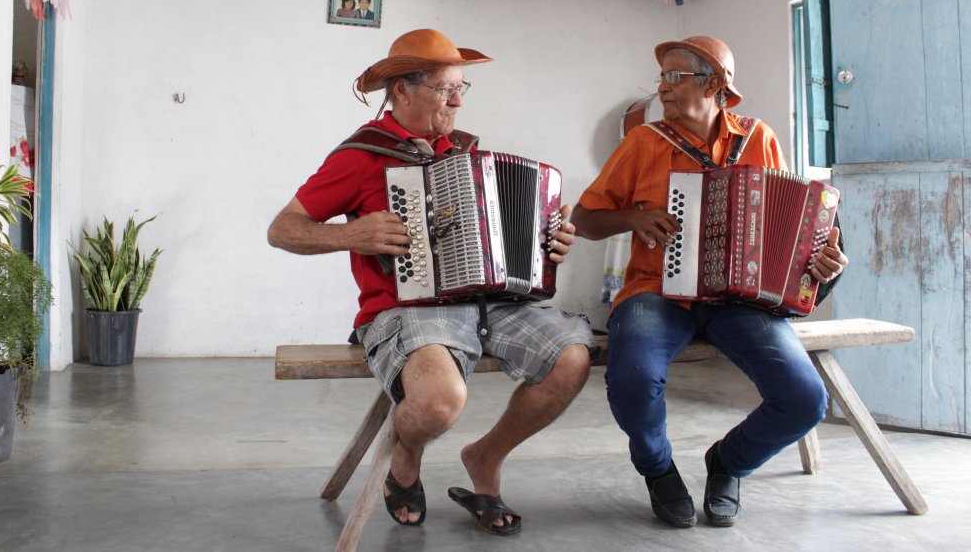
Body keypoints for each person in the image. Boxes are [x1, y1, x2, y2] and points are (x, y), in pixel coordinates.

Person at [268, 29, 594, 536]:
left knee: (571, 359)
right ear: (402, 89)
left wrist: (549, 239)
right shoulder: (360, 155)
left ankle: (486, 457)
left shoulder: (464, 153)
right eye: (446, 89)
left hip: (491, 302)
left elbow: (503, 237)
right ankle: (408, 453)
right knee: (439, 402)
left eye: (462, 88)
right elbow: (282, 229)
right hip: (405, 310)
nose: (458, 100)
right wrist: (350, 234)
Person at [570, 36, 848, 528]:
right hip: (656, 292)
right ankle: (658, 469)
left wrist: (824, 259)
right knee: (633, 379)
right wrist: (635, 218)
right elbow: (584, 219)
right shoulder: (643, 142)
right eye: (661, 77)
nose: (662, 87)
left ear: (713, 84)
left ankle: (728, 462)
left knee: (806, 399)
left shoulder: (758, 138)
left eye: (673, 77)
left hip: (739, 299)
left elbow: (793, 224)